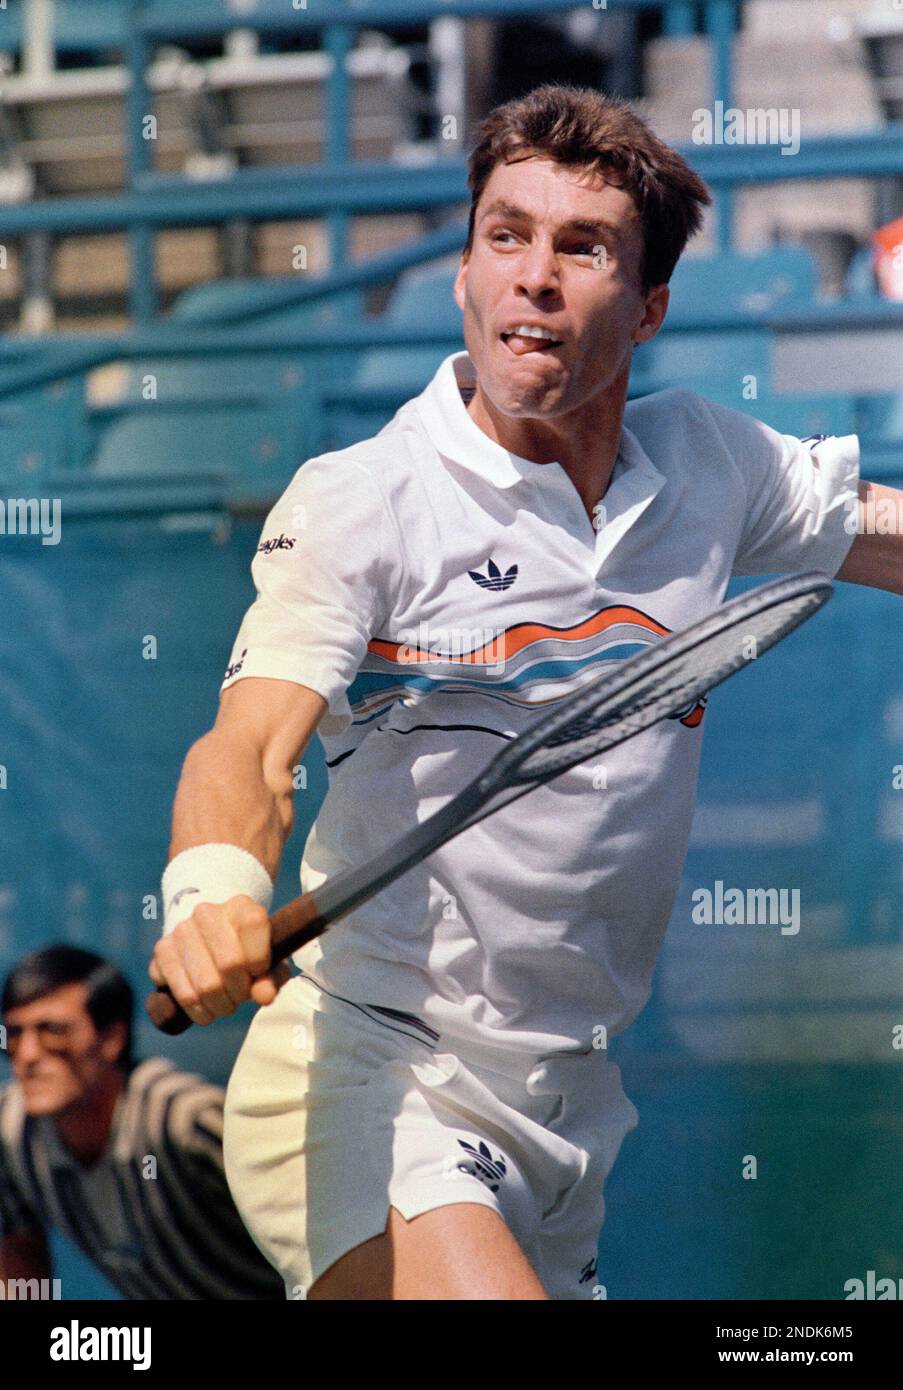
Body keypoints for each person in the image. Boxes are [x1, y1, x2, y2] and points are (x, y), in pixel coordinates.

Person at [149, 84, 903, 1301]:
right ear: (463, 275)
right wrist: (212, 888)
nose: (535, 277)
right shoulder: (363, 502)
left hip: (572, 1107)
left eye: (582, 246)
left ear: (649, 306)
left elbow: (887, 537)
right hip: (372, 1075)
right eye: (506, 236)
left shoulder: (711, 463)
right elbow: (246, 747)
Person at [0, 945, 284, 1299]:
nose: (27, 1055)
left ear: (112, 1038)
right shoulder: (11, 1133)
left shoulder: (187, 1121)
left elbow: (313, 1231)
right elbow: (20, 1251)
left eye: (53, 1031)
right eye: (14, 1034)